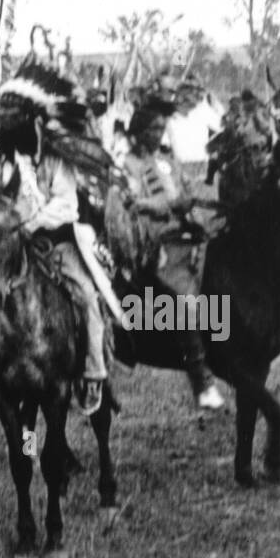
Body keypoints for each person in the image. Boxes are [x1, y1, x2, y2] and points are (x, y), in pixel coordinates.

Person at [0, 75, 112, 419]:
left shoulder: (55, 159)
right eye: (1, 112)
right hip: (5, 245)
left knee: (88, 297)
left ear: (29, 118)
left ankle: (93, 372)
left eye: (10, 112)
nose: (3, 118)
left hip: (56, 243)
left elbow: (66, 204)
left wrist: (29, 225)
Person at [119, 97, 225, 412]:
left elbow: (185, 189)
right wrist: (168, 205)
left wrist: (192, 199)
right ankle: (201, 380)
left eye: (160, 128)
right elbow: (133, 203)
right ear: (137, 132)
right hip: (154, 242)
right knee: (183, 299)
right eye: (151, 129)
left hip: (185, 234)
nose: (157, 134)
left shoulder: (168, 159)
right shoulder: (129, 165)